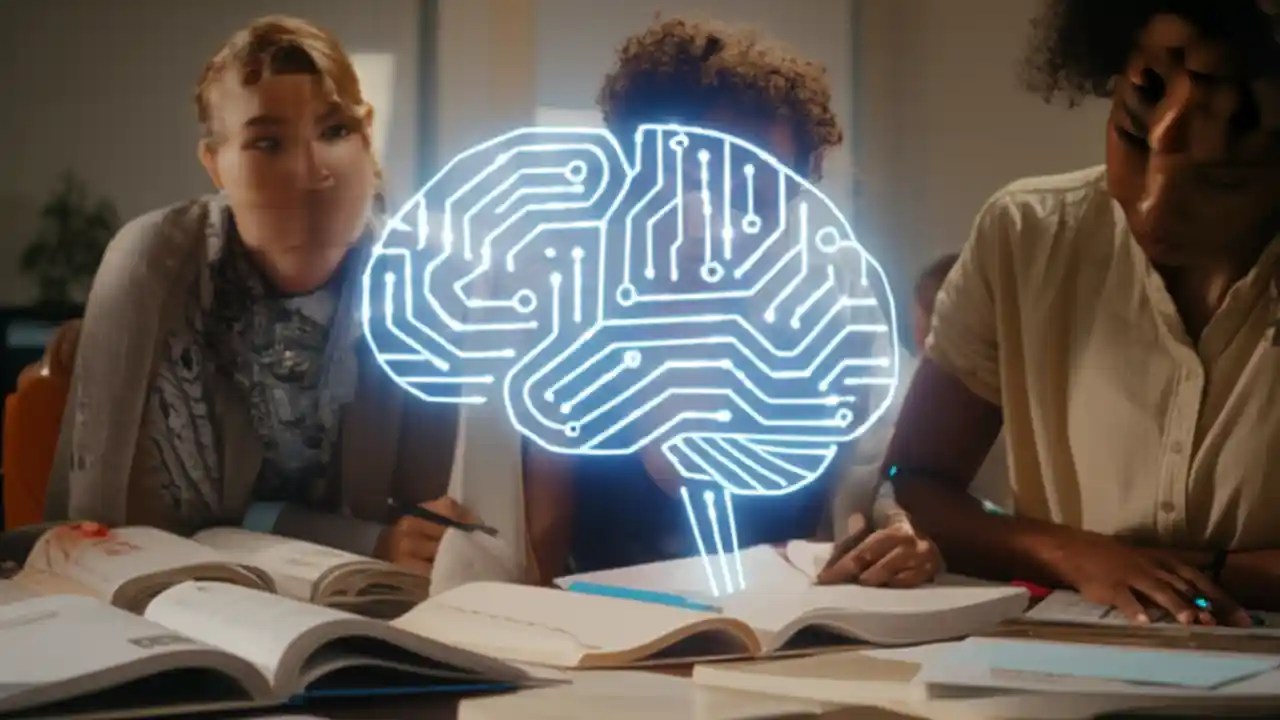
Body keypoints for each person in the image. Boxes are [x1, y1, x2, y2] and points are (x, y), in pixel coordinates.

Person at [44, 16, 479, 576]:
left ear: (369, 136)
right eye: (267, 143)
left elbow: (427, 519)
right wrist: (364, 537)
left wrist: (407, 539)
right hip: (178, 595)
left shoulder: (421, 277)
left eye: (336, 131)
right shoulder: (152, 263)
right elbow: (101, 531)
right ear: (215, 164)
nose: (311, 171)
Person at [889, 0, 1280, 622]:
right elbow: (916, 479)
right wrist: (1073, 555)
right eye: (1133, 137)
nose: (1155, 204)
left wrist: (1192, 573)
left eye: (1220, 178)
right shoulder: (1026, 234)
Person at [522, 16, 940, 588]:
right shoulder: (567, 327)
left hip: (792, 654)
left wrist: (902, 538)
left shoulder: (831, 336)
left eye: (755, 200)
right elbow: (528, 575)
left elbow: (881, 487)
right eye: (690, 182)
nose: (715, 225)